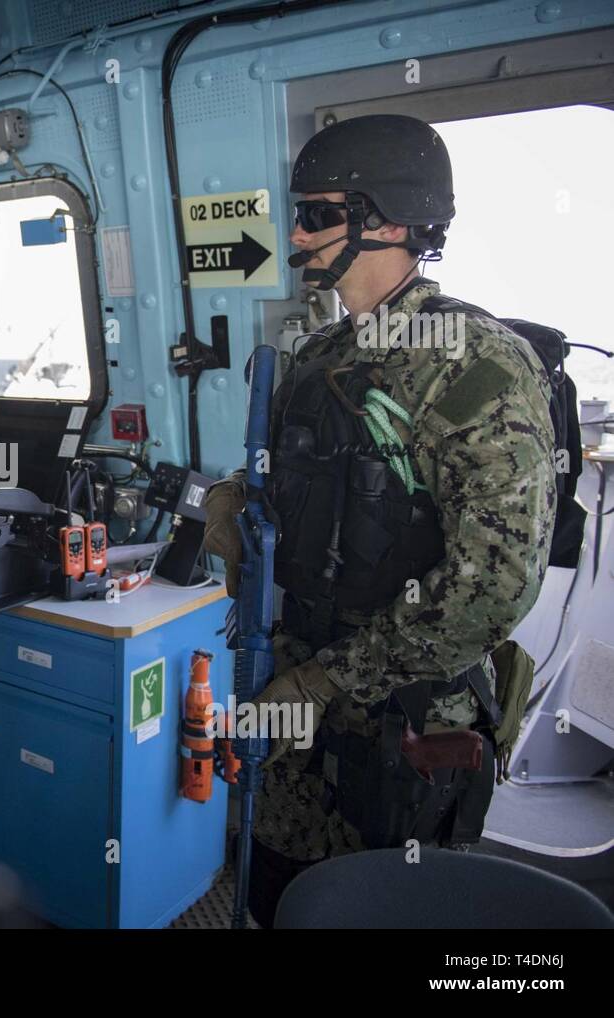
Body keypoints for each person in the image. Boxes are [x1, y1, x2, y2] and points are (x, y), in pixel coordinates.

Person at [203, 115, 556, 927]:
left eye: (318, 214)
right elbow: (287, 481)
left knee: (379, 910)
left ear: (390, 222)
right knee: (278, 891)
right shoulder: (320, 356)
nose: (295, 233)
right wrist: (227, 497)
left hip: (398, 716)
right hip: (292, 688)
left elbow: (494, 586)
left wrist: (327, 682)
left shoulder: (476, 365)